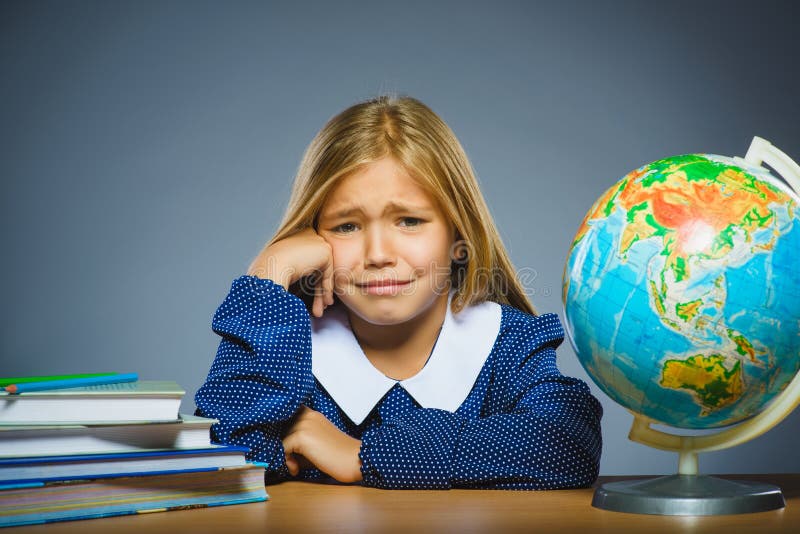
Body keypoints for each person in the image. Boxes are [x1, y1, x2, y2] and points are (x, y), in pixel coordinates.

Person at [194, 95, 603, 490]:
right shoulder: (288, 343)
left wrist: (363, 456)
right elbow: (219, 457)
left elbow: (569, 442)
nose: (378, 254)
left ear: (458, 234)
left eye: (408, 221)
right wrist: (269, 273)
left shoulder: (506, 344)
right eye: (346, 226)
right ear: (313, 235)